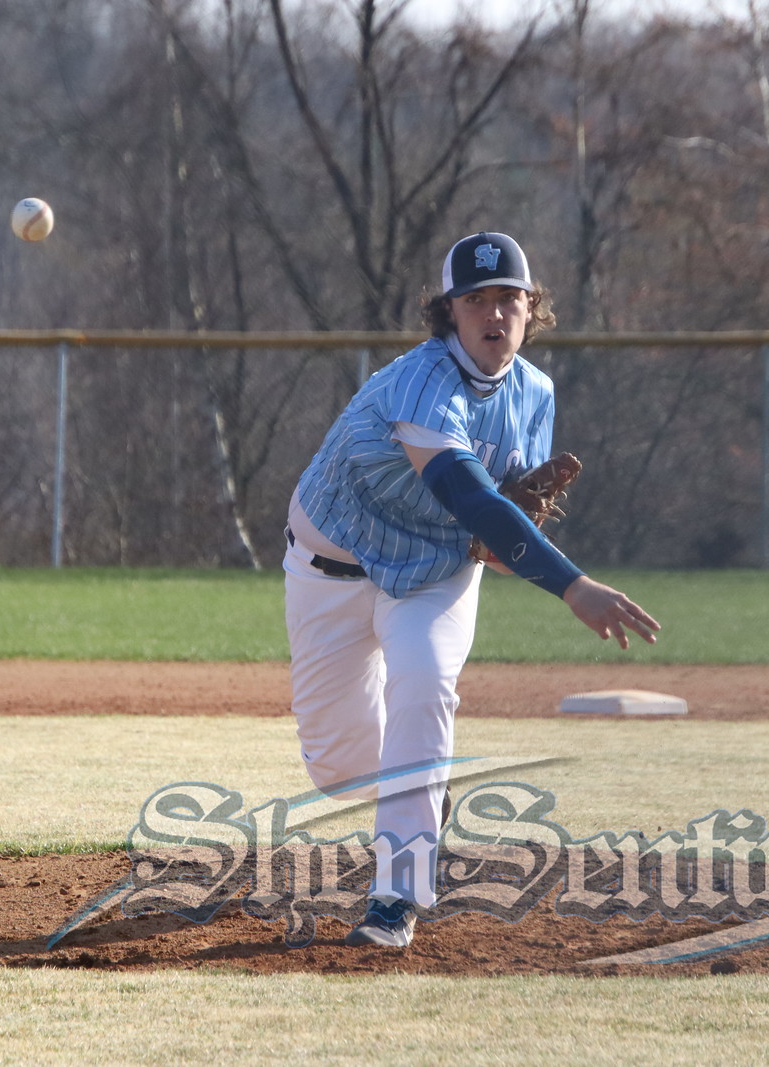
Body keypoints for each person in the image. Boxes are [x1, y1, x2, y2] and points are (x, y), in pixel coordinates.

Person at [283, 231, 660, 948]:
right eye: (476, 299)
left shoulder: (535, 393)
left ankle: (396, 897)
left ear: (531, 309)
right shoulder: (422, 382)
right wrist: (571, 584)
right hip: (329, 569)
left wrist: (513, 544)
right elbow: (468, 494)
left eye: (509, 299)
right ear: (449, 314)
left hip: (431, 575)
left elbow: (493, 537)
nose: (494, 313)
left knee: (424, 684)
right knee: (337, 767)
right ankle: (428, 791)